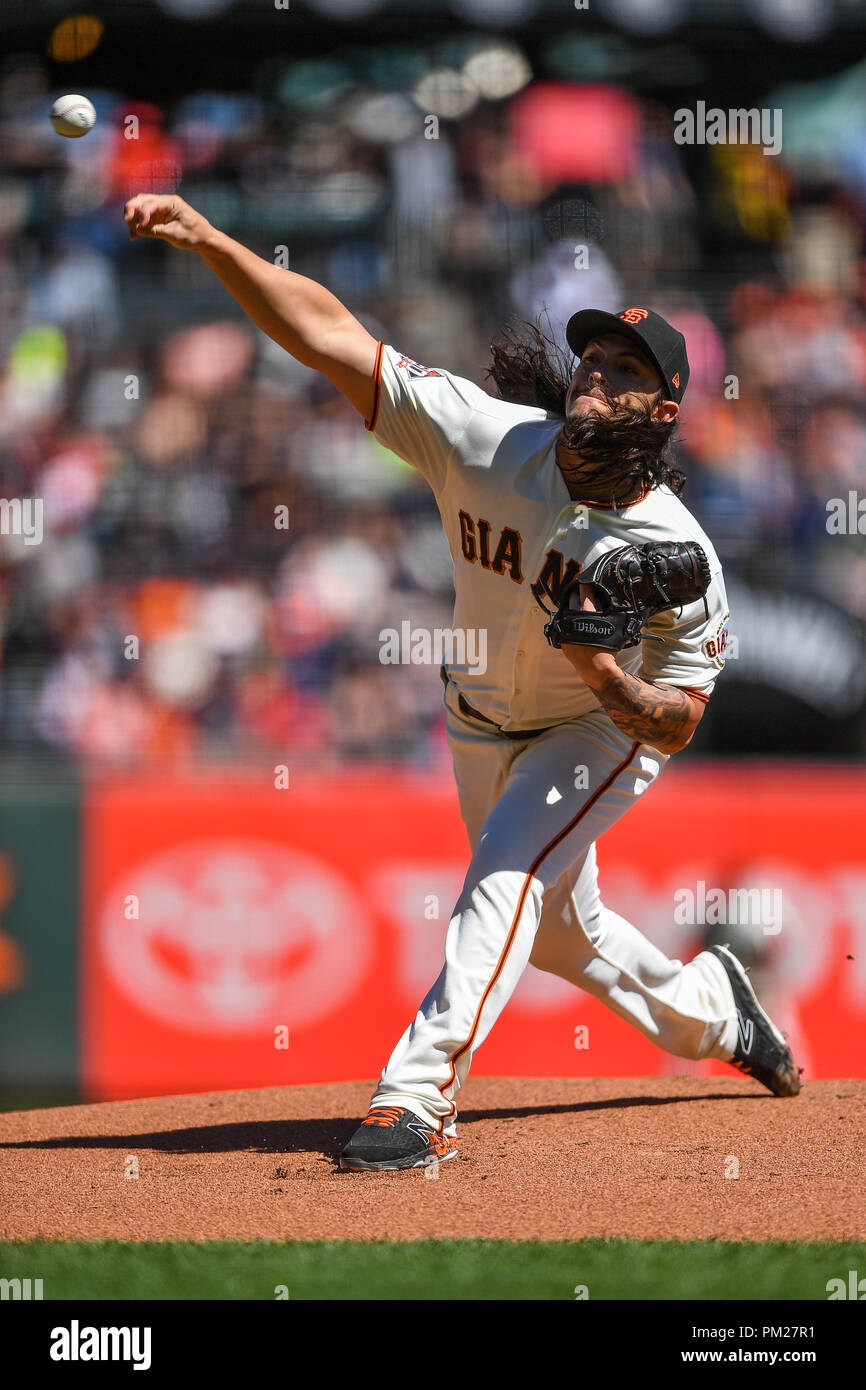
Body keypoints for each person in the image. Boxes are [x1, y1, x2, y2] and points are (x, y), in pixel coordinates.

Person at [124, 196, 802, 1173]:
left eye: (626, 370)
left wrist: (600, 667)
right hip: (477, 723)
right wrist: (215, 241)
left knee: (506, 874)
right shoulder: (483, 440)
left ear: (661, 411)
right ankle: (714, 1012)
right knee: (567, 940)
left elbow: (674, 722)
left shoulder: (675, 551)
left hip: (593, 734)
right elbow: (329, 336)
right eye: (594, 357)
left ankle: (415, 1099)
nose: (597, 374)